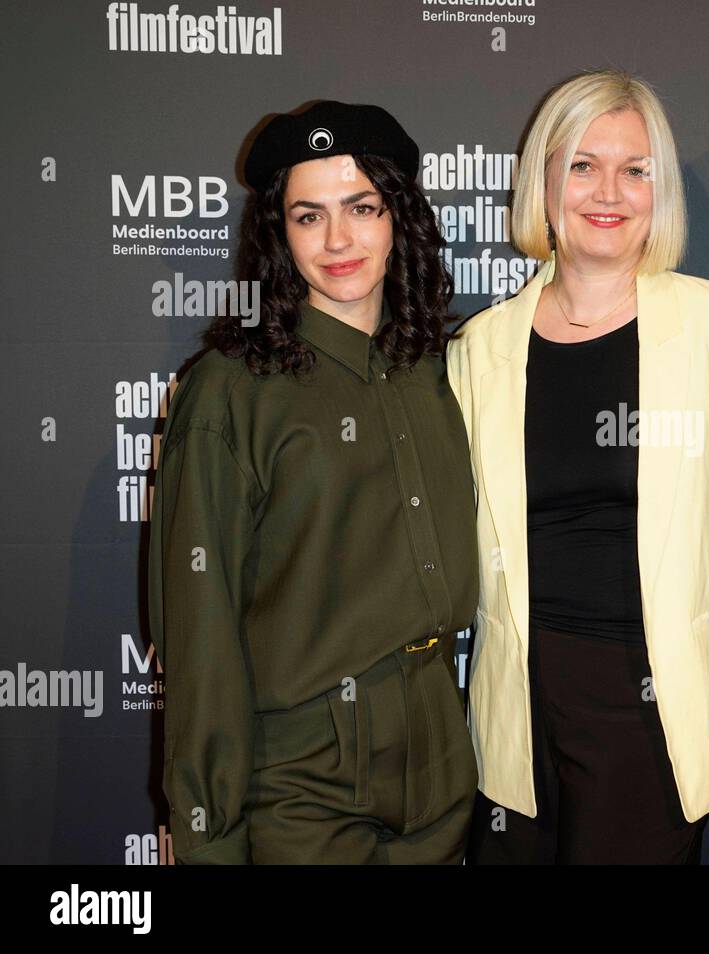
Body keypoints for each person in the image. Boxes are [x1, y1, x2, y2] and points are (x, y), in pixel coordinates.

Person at [148, 101, 478, 864]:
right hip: (304, 777)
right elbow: (200, 638)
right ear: (277, 233)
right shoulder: (230, 390)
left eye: (361, 207)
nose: (338, 240)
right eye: (308, 216)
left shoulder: (434, 368)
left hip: (440, 755)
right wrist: (207, 832)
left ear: (398, 216)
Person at [447, 70, 709, 864]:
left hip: (654, 712)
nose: (607, 191)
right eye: (582, 164)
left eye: (635, 168)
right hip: (517, 710)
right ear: (543, 182)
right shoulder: (479, 349)